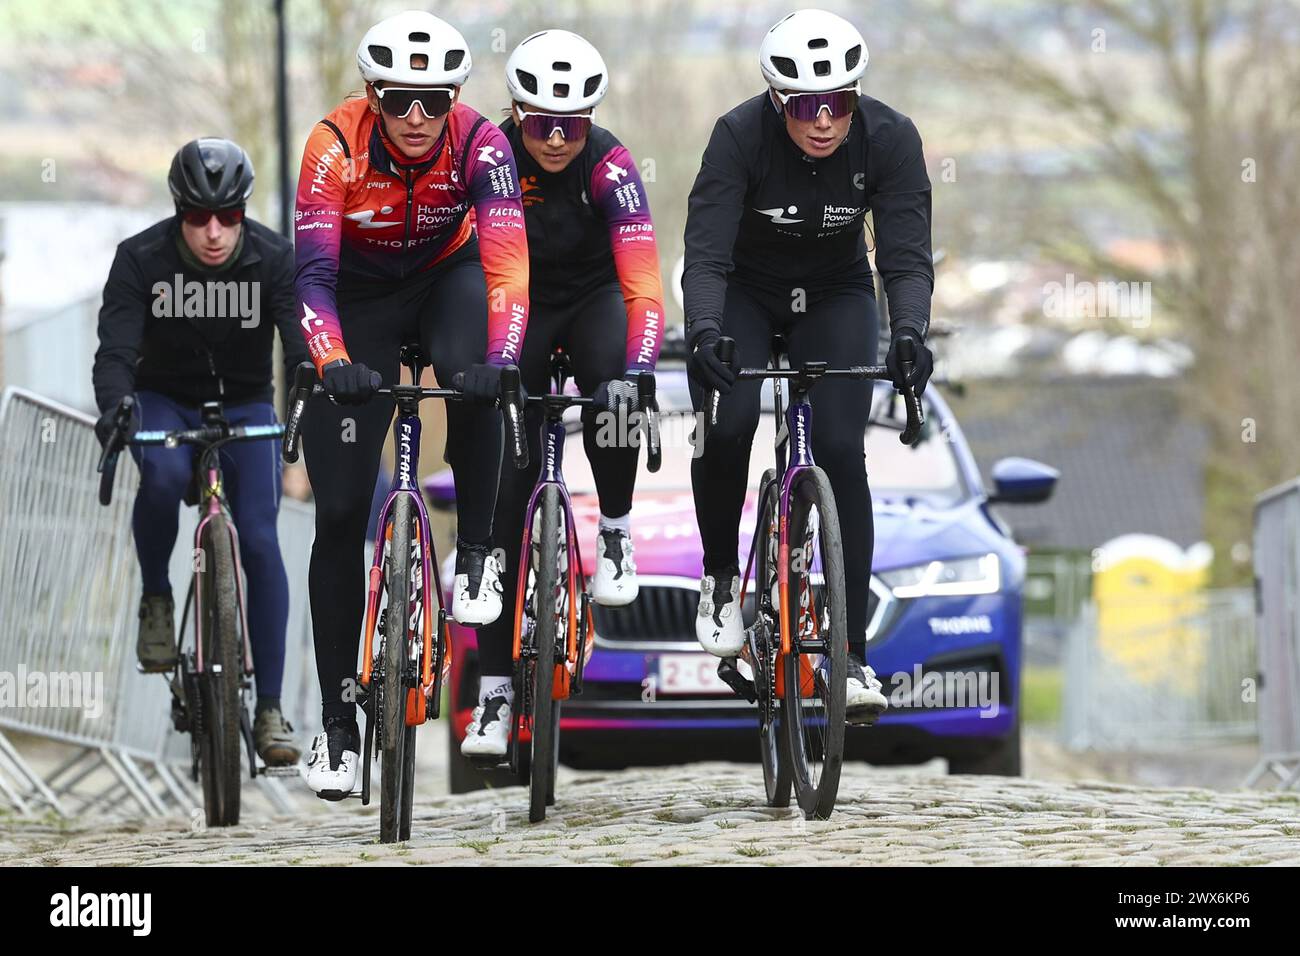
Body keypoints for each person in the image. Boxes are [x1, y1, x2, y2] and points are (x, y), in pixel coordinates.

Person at [294, 11, 530, 798]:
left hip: (446, 277)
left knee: (475, 378)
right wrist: (331, 362)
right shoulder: (333, 144)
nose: (419, 117)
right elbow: (312, 281)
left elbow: (506, 272)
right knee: (337, 515)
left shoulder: (481, 145)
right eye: (400, 101)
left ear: (456, 96)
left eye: (435, 100)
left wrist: (501, 360)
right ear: (372, 94)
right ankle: (336, 724)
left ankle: (480, 552)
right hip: (355, 295)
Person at [682, 9, 936, 724]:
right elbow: (704, 255)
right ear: (775, 100)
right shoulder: (737, 138)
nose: (824, 122)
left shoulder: (890, 138)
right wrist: (704, 330)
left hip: (837, 293)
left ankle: (849, 655)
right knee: (728, 422)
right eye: (805, 106)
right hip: (745, 292)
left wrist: (910, 332)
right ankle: (720, 576)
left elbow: (906, 257)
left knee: (837, 446)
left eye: (839, 104)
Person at [461, 29, 667, 758]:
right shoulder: (487, 156)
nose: (556, 138)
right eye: (542, 121)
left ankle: (614, 528)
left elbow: (643, 283)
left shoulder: (610, 165)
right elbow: (472, 266)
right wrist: (492, 362)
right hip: (508, 300)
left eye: (572, 123)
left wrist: (636, 375)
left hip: (590, 300)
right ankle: (492, 696)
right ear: (515, 110)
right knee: (501, 505)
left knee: (613, 395)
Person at [92, 137, 307, 765]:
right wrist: (117, 408)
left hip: (244, 406)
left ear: (243, 212)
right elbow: (116, 351)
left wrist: (307, 393)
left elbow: (299, 343)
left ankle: (269, 709)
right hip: (165, 401)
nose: (213, 232)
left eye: (229, 217)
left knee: (262, 542)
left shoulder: (274, 258)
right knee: (158, 476)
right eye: (197, 217)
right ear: (177, 210)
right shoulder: (140, 259)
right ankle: (157, 595)